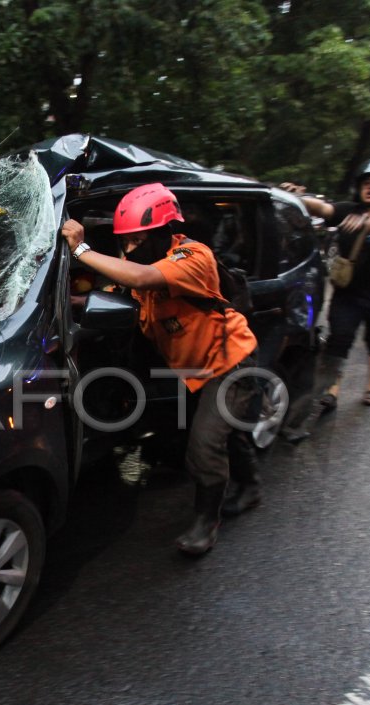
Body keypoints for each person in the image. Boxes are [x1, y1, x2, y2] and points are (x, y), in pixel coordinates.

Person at [61, 183, 260, 557]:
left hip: (230, 363)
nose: (130, 248)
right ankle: (251, 486)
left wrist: (82, 249)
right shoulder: (146, 269)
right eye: (126, 242)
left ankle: (206, 523)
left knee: (203, 446)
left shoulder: (190, 257)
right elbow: (123, 294)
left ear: (163, 232)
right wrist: (69, 300)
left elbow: (138, 279)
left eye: (138, 240)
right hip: (193, 371)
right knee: (224, 434)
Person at [280, 157, 370, 409]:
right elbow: (323, 209)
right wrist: (292, 196)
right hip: (348, 293)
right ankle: (331, 389)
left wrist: (367, 223)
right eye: (367, 182)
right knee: (339, 338)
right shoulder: (348, 210)